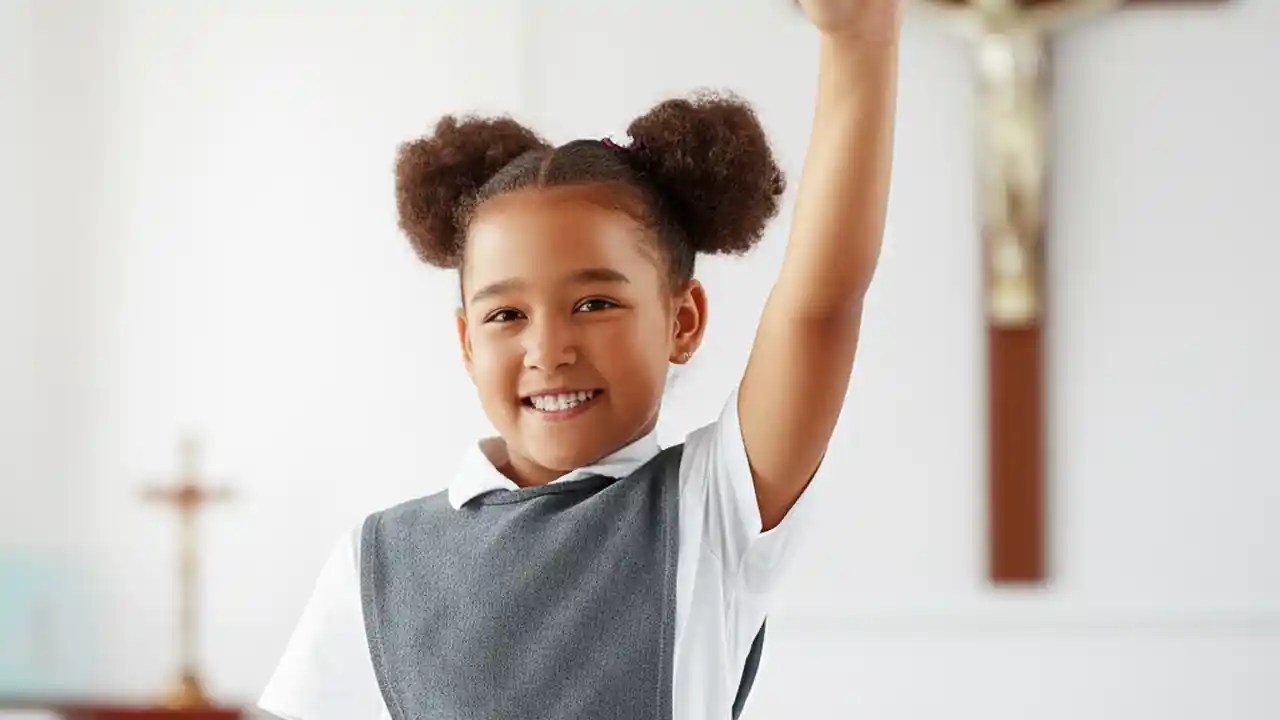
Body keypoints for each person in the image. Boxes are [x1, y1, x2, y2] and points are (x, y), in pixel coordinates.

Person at [258, 1, 902, 718]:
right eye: (506, 315)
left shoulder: (708, 513)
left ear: (682, 320)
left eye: (595, 304)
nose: (550, 350)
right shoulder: (376, 561)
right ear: (467, 343)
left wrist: (858, 36)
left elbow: (820, 308)